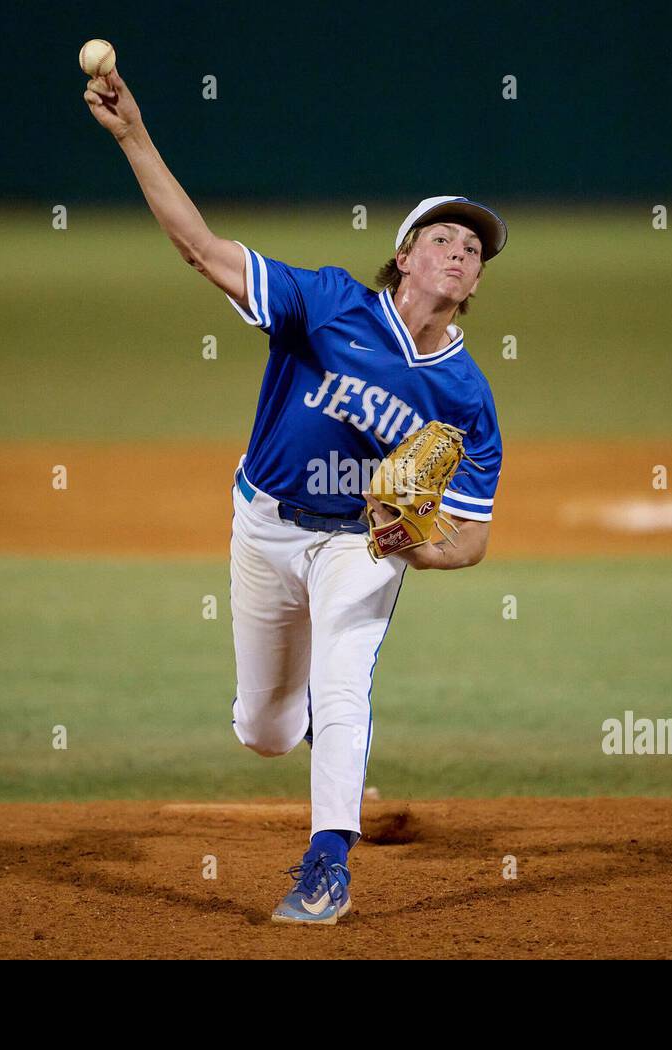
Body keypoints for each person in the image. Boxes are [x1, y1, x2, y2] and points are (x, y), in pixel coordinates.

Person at [85, 70, 506, 924]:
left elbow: (471, 537)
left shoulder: (465, 395)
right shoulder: (323, 304)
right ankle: (301, 721)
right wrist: (133, 136)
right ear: (405, 255)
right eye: (444, 237)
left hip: (360, 544)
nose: (461, 251)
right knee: (265, 732)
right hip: (265, 526)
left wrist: (411, 547)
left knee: (347, 678)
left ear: (473, 286)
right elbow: (201, 248)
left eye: (475, 249)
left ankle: (326, 866)